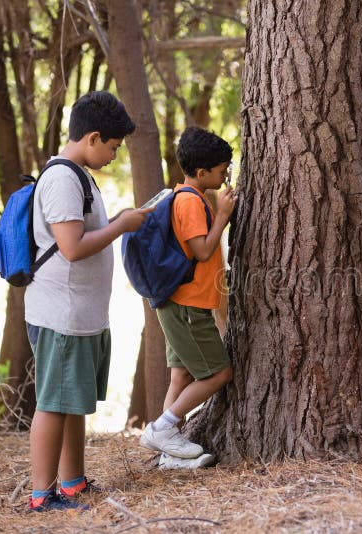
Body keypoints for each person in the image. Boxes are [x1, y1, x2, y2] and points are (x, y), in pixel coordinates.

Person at [25, 91, 150, 511]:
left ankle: (73, 482)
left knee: (71, 401)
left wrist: (117, 221)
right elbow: (72, 247)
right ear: (93, 137)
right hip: (61, 313)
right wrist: (121, 227)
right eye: (113, 146)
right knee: (53, 403)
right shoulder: (62, 178)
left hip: (80, 314)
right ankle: (42, 496)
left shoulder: (79, 175)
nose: (115, 155)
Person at [139, 126, 235, 470]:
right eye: (222, 171)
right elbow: (203, 249)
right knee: (219, 374)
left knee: (180, 377)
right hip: (189, 306)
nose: (225, 178)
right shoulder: (191, 202)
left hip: (176, 303)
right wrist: (223, 215)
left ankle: (170, 454)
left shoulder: (183, 196)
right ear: (201, 172)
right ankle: (162, 429)